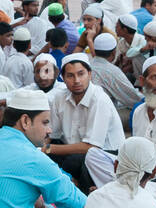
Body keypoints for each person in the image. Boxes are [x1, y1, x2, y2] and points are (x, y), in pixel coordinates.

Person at [45, 52, 122, 190]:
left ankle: (80, 195)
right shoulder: (59, 98)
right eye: (70, 76)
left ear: (90, 74)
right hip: (73, 151)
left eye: (81, 74)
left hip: (105, 155)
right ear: (63, 78)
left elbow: (91, 147)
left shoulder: (99, 99)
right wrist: (40, 150)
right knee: (44, 160)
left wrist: (48, 149)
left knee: (72, 162)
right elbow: (52, 135)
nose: (77, 81)